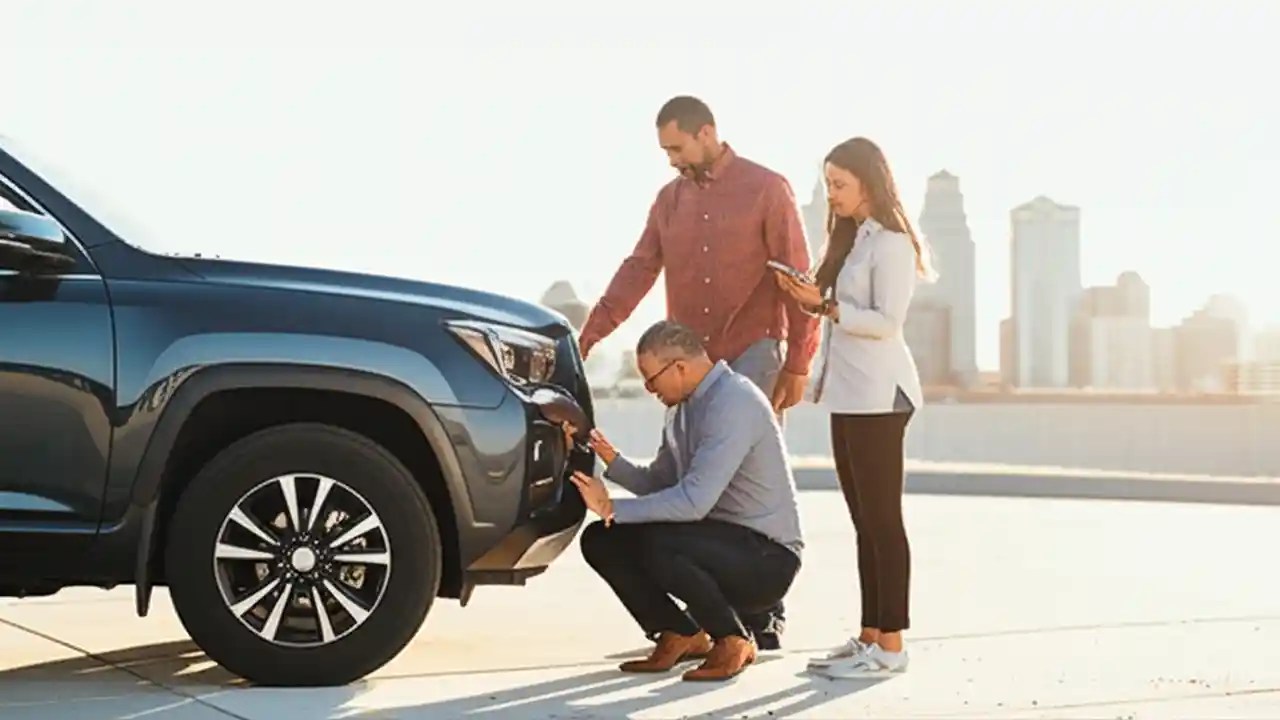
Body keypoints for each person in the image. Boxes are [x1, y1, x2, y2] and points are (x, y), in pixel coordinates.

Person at [578, 95, 818, 647]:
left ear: (707, 133)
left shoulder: (766, 188)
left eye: (677, 148)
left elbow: (795, 277)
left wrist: (800, 361)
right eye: (665, 151)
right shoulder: (669, 201)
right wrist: (595, 329)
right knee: (688, 472)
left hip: (754, 348)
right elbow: (639, 267)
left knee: (742, 482)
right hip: (683, 361)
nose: (672, 161)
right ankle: (707, 618)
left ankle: (760, 615)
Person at [772, 136, 935, 678]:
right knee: (863, 521)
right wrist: (809, 295)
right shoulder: (852, 239)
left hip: (881, 398)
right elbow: (835, 311)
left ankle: (891, 646)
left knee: (884, 521)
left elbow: (887, 324)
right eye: (828, 185)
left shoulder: (890, 243)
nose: (833, 194)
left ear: (869, 181)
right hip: (848, 396)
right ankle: (869, 636)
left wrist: (827, 305)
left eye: (840, 184)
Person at [566, 320, 804, 682]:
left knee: (657, 539)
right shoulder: (681, 410)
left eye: (651, 378)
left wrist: (612, 507)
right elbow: (659, 483)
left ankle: (733, 639)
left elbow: (693, 503)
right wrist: (609, 460)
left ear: (679, 366)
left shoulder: (734, 402)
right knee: (601, 538)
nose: (649, 389)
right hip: (715, 543)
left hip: (766, 559)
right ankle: (680, 634)